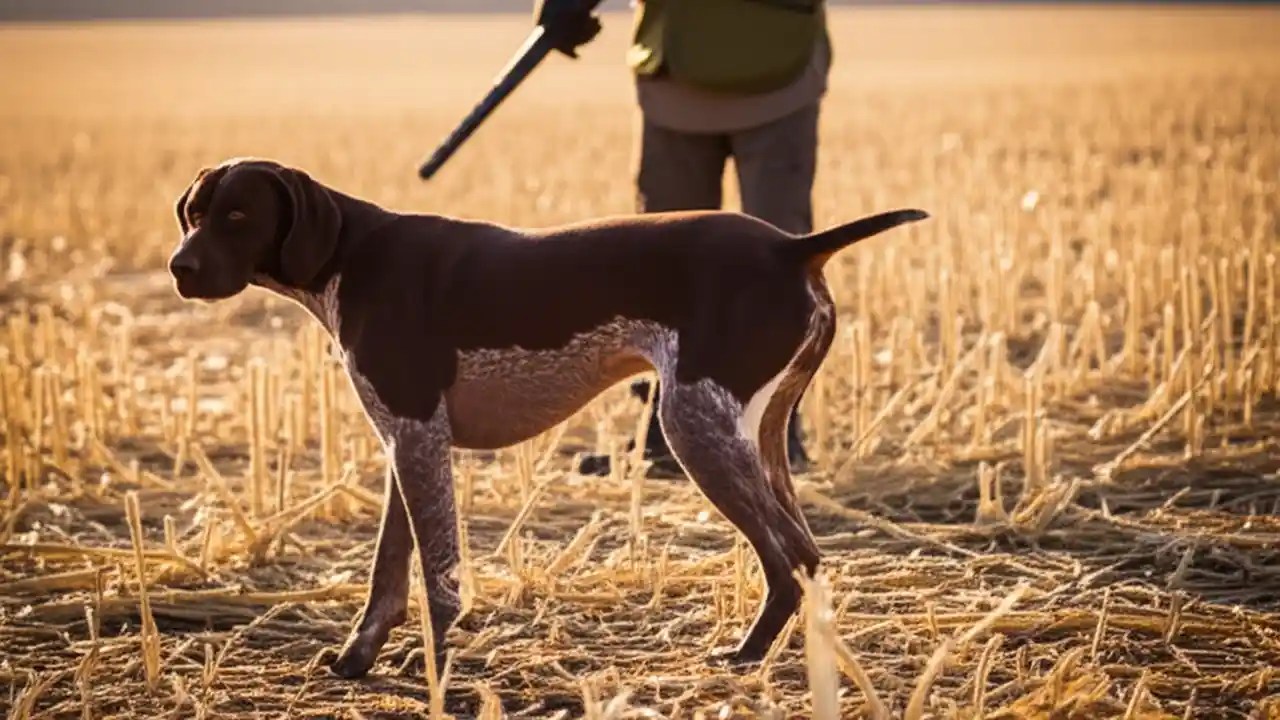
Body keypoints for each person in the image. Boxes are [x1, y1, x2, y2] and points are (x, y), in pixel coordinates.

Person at [556, 0, 833, 478]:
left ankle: (771, 436)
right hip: (684, 72)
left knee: (771, 269)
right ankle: (667, 436)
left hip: (771, 67)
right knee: (665, 272)